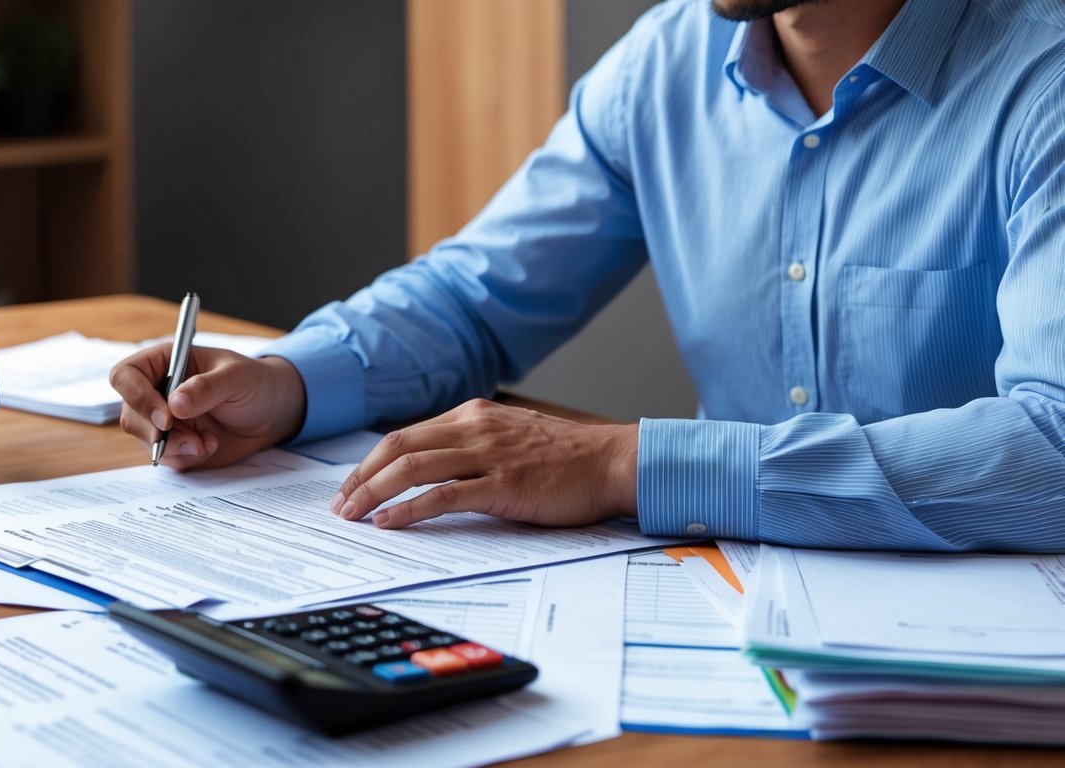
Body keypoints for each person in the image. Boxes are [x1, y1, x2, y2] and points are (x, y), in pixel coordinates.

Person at [112, 0, 1065, 552]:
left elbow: (1053, 445)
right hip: (713, 608)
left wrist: (624, 464)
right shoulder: (665, 62)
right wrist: (288, 383)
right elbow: (474, 296)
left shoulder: (1042, 76)